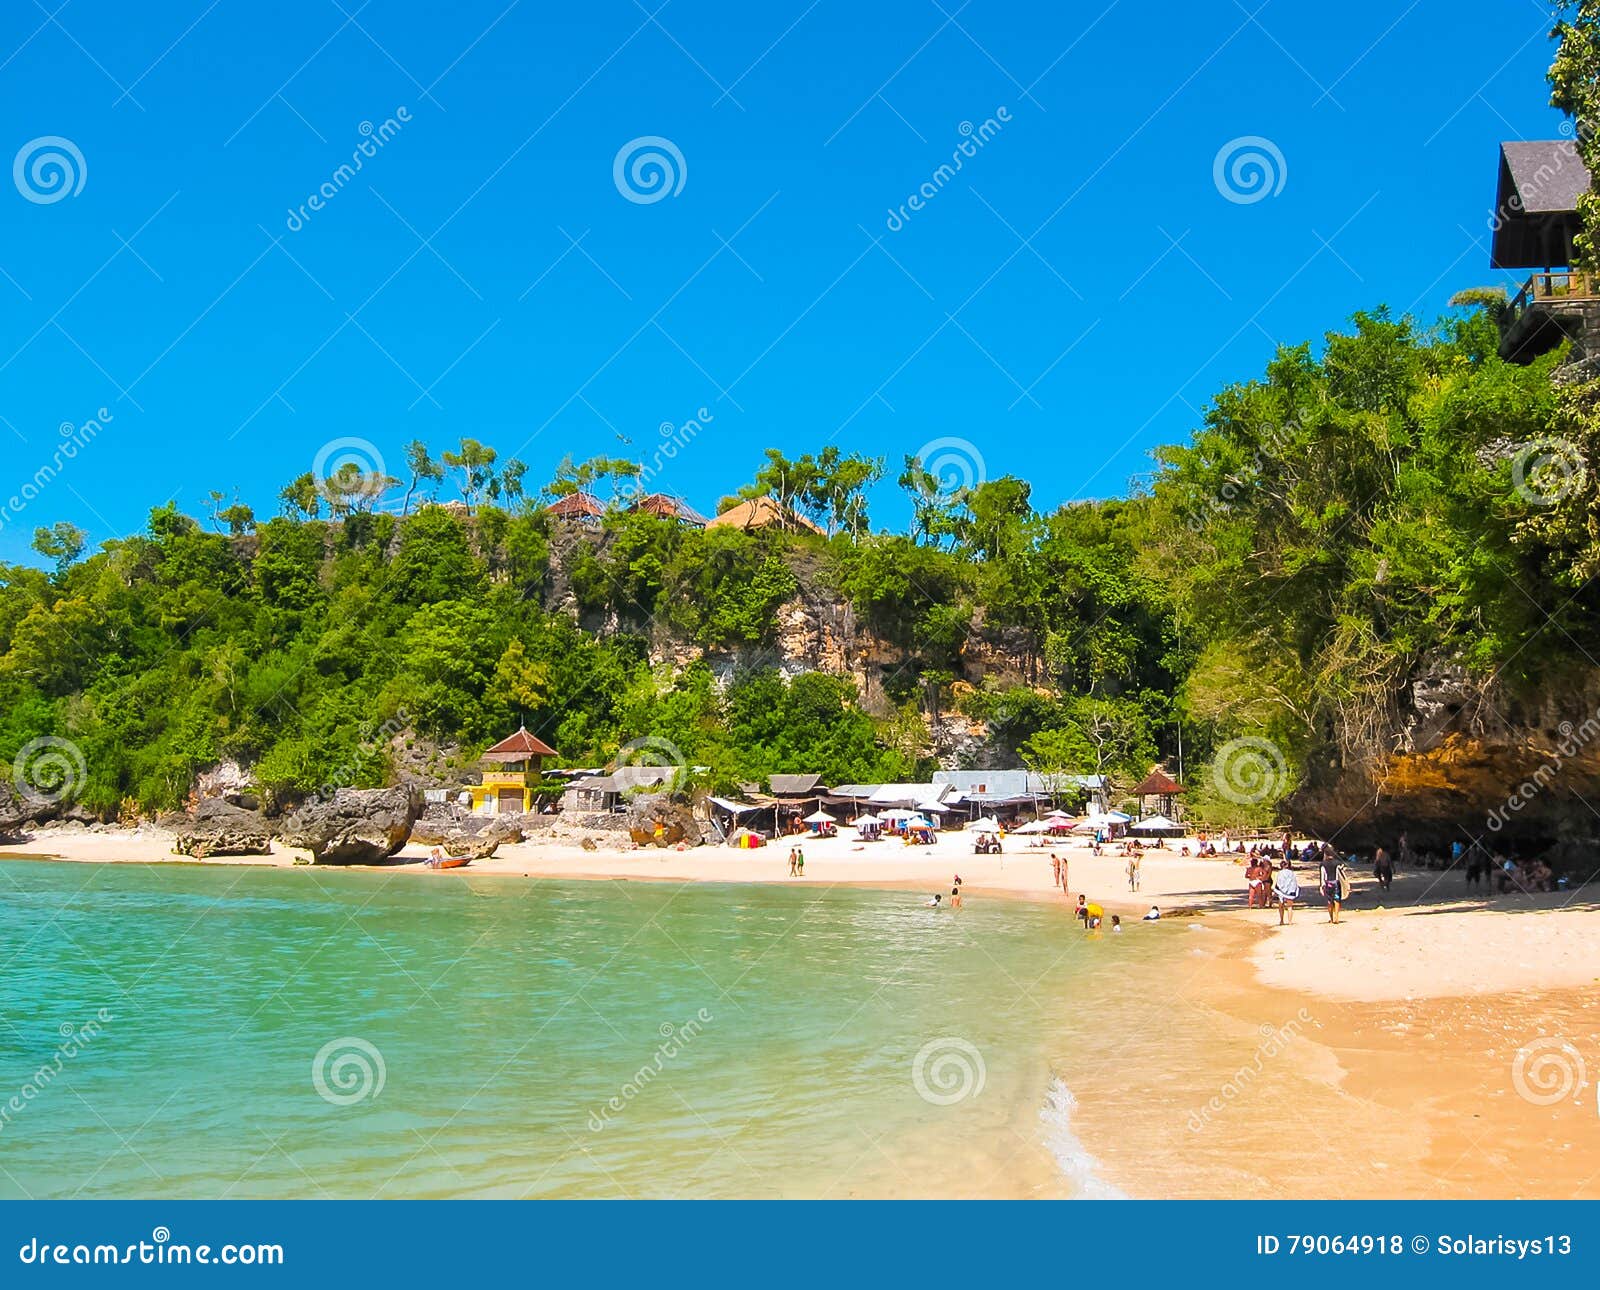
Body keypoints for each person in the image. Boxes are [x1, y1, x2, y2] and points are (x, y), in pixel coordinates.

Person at [1320, 846, 1343, 923]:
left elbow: (1322, 875)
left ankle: (1331, 918)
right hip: (1336, 883)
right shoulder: (1338, 863)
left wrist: (1321, 886)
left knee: (1329, 901)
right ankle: (1336, 917)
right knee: (1337, 900)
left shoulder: (1323, 864)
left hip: (1327, 883)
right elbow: (1341, 874)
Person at [1272, 860, 1299, 925]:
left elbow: (1275, 883)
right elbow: (1294, 883)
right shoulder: (1292, 873)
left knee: (1281, 906)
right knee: (1289, 906)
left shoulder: (1279, 873)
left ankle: (1281, 920)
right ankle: (1290, 922)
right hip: (1290, 891)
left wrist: (1274, 891)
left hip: (1281, 891)